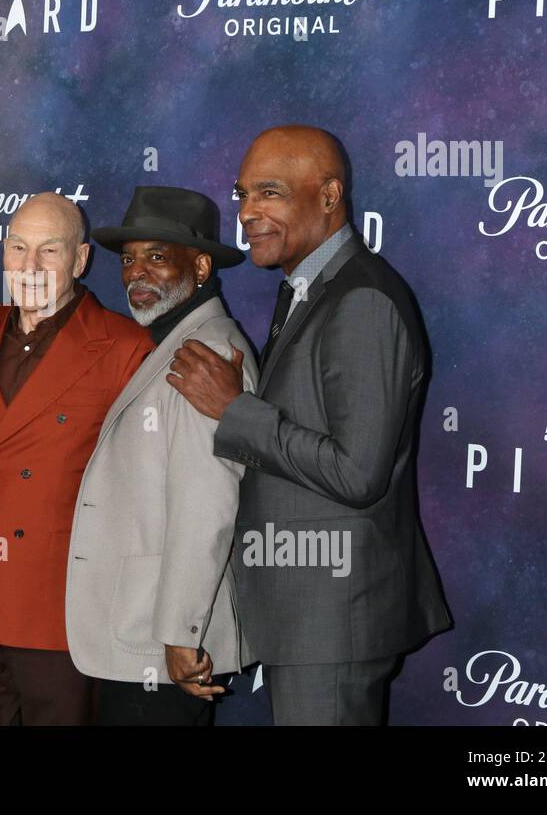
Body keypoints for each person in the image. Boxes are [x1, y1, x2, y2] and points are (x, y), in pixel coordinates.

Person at [168, 125, 452, 725]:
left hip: (333, 620)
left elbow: (357, 472)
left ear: (328, 196)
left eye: (269, 193)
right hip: (310, 614)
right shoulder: (307, 289)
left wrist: (233, 409)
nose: (247, 213)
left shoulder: (362, 301)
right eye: (243, 194)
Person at [0, 192, 154, 725]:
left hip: (57, 607)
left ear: (80, 261)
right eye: (17, 248)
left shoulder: (125, 347)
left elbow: (145, 490)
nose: (29, 267)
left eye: (49, 251)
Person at [65, 186, 257, 725]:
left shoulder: (207, 354)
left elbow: (207, 504)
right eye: (128, 259)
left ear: (199, 266)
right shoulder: (173, 342)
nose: (135, 273)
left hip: (163, 644)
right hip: (141, 636)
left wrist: (181, 634)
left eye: (156, 257)